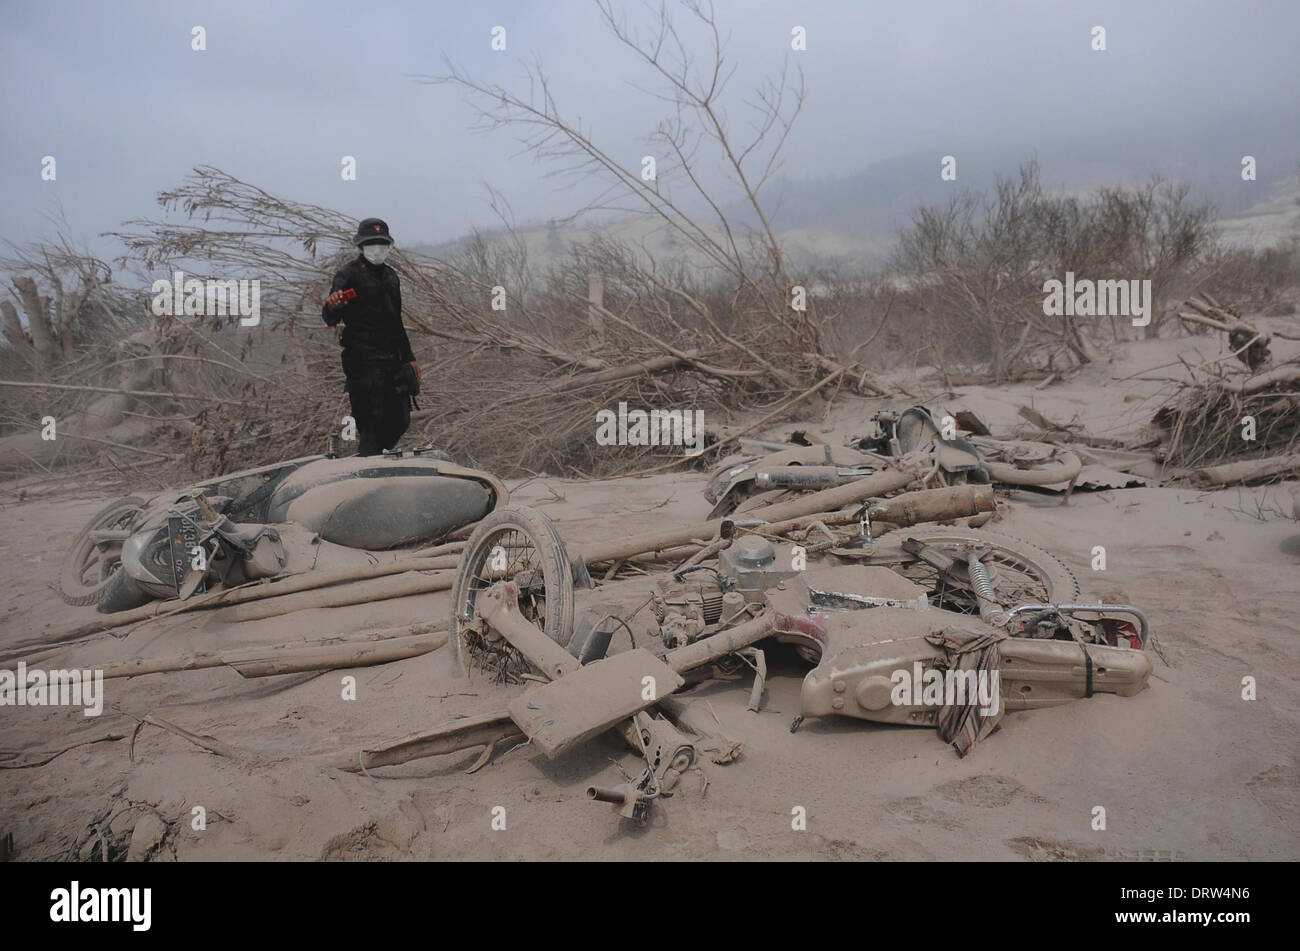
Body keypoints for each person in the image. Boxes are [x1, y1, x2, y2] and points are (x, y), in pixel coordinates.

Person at [322, 218, 422, 456]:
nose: (377, 248)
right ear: (361, 246)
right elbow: (329, 316)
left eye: (381, 243)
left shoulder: (391, 277)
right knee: (371, 422)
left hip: (392, 359)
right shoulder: (348, 274)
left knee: (401, 419)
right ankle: (370, 464)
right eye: (371, 243)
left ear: (388, 246)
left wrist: (409, 358)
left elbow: (397, 322)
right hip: (362, 360)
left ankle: (373, 458)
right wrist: (333, 305)